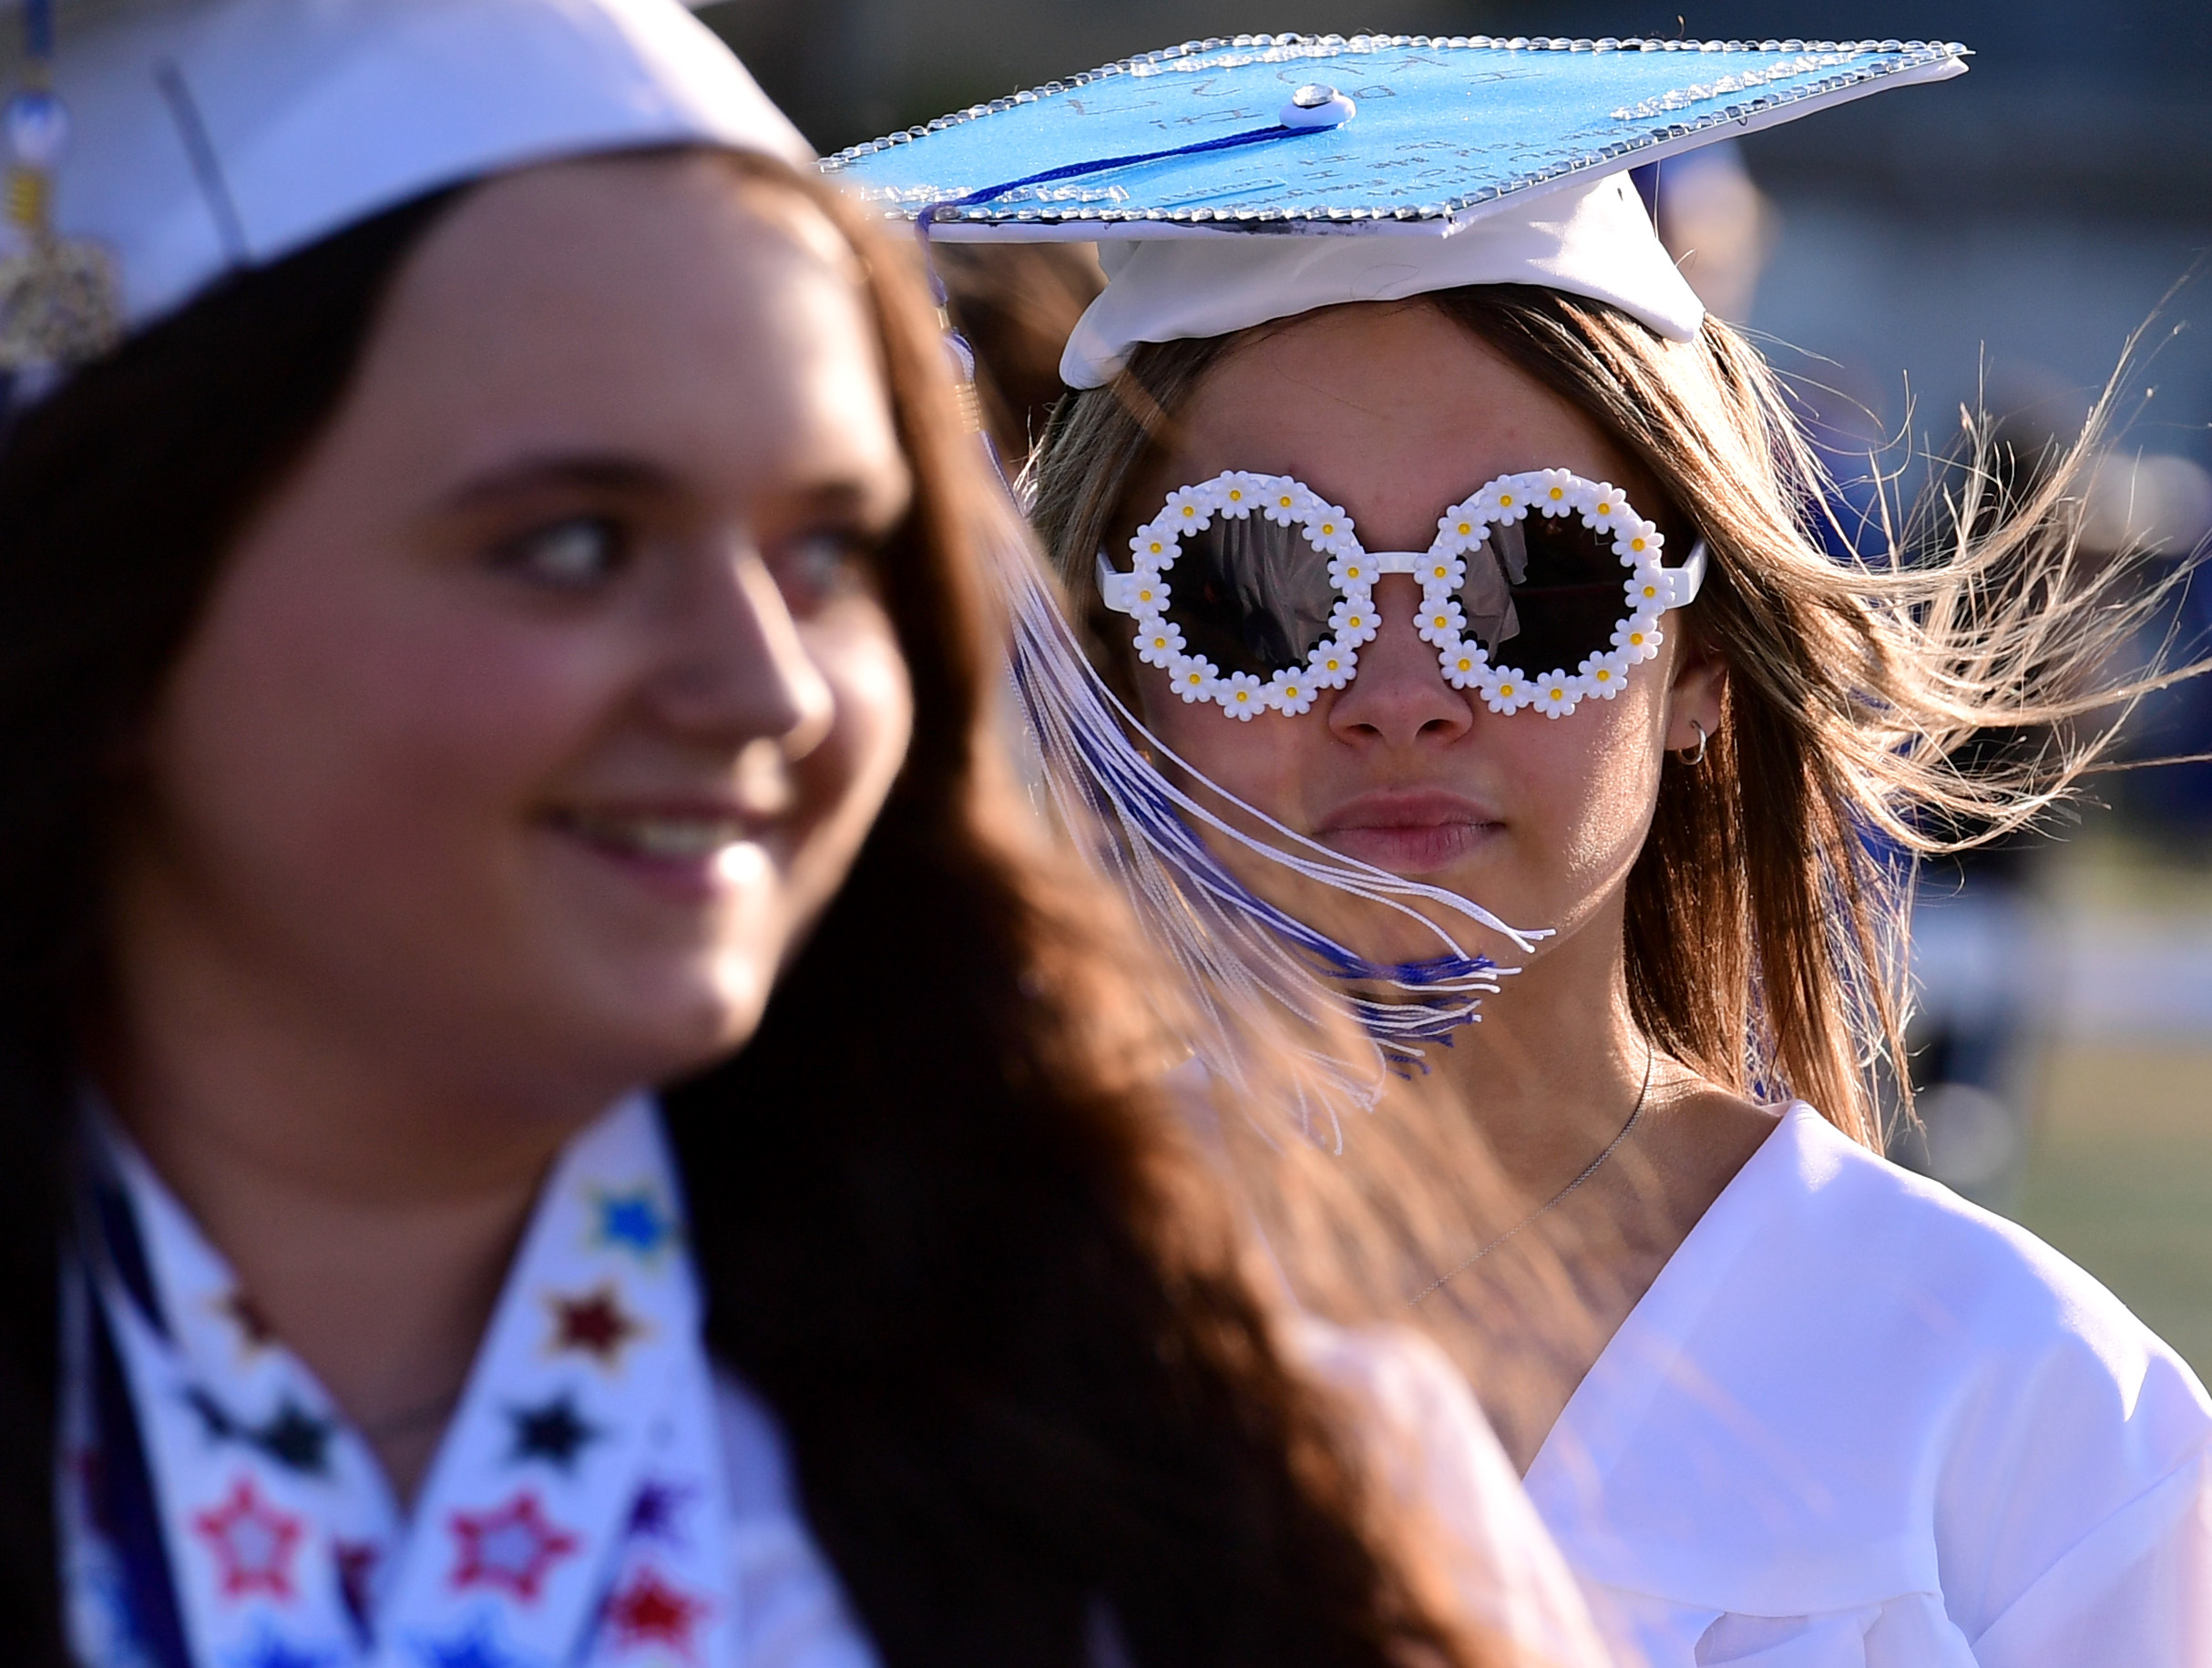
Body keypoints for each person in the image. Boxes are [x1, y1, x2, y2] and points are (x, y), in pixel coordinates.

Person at [0, 5, 1610, 1664]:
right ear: (115, 602)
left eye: (827, 553)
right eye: (573, 544)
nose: (764, 685)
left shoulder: (1243, 1513)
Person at [827, 32, 2212, 1665]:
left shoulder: (2035, 1423)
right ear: (1117, 667)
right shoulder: (896, 1348)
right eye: (1256, 586)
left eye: (1539, 581)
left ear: (1701, 663)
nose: (1399, 694)